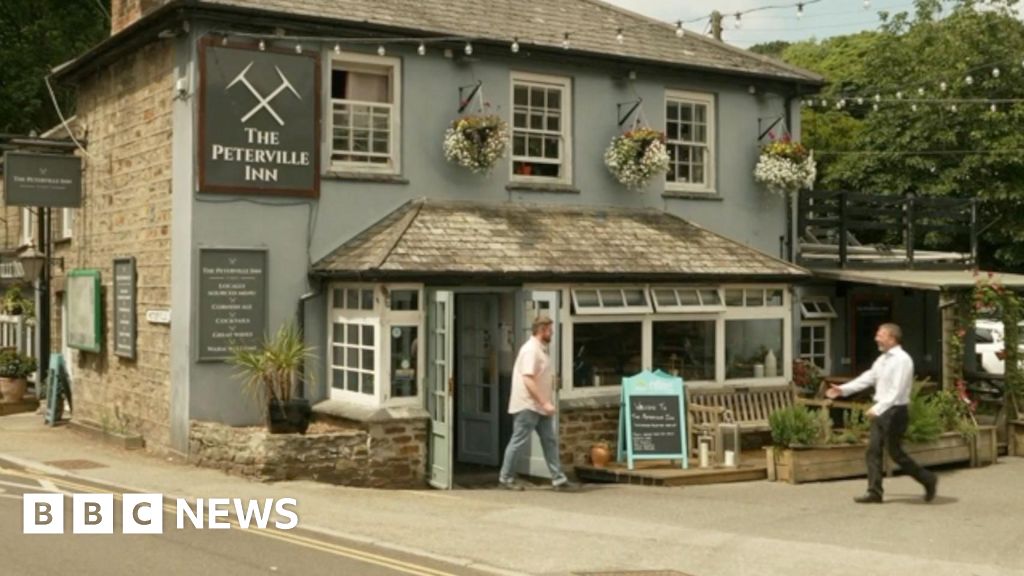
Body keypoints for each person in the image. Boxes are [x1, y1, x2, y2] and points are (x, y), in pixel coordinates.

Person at [826, 323, 938, 504]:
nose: (876, 338)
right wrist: (843, 390)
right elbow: (868, 377)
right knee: (873, 451)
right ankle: (874, 492)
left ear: (892, 338)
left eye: (881, 335)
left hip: (895, 411)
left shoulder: (903, 360)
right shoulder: (882, 359)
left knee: (895, 454)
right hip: (882, 409)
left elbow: (896, 391)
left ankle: (927, 479)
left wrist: (877, 408)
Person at [498, 315, 579, 491]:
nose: (552, 333)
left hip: (539, 405)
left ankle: (558, 479)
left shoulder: (540, 349)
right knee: (518, 441)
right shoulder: (531, 350)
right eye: (550, 329)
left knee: (549, 440)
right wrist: (544, 402)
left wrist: (544, 403)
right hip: (528, 405)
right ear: (542, 330)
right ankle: (505, 478)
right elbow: (528, 379)